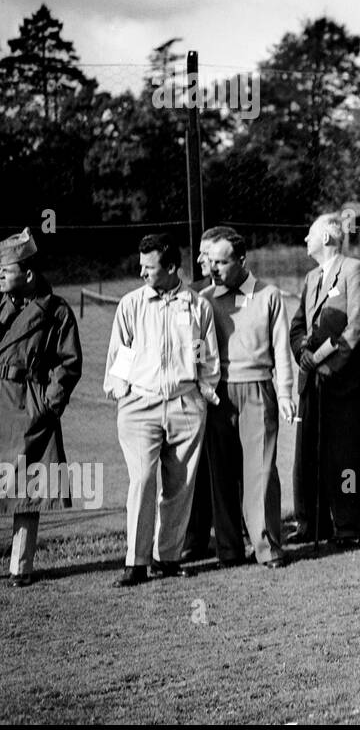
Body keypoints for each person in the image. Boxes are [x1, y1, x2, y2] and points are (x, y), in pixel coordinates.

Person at [104, 233, 220, 586]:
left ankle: (167, 558)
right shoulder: (131, 304)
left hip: (186, 405)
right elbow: (120, 353)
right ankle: (136, 562)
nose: (142, 273)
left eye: (149, 268)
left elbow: (204, 353)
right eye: (141, 266)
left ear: (171, 268)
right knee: (142, 480)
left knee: (179, 487)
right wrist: (121, 392)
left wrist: (204, 391)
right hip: (140, 405)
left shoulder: (197, 306)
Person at [201, 230, 295, 569]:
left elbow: (282, 349)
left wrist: (284, 393)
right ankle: (227, 549)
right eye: (211, 262)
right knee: (221, 473)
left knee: (261, 472)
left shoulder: (268, 295)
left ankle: (267, 546)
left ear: (242, 261)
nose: (214, 268)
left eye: (222, 262)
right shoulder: (205, 299)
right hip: (218, 394)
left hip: (258, 389)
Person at [288, 213, 360, 547]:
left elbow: (358, 325)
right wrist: (303, 353)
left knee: (345, 458)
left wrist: (324, 360)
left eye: (309, 234)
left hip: (348, 382)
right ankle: (312, 525)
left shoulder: (355, 271)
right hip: (314, 381)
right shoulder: (312, 277)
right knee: (309, 453)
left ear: (326, 237)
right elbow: (298, 325)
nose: (304, 241)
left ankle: (348, 527)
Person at [0, 229, 82, 587]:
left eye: (5, 269)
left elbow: (69, 363)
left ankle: (21, 565)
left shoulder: (56, 310)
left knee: (28, 488)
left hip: (31, 405)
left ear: (28, 273)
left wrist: (48, 406)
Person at [182, 224, 236, 564]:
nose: (203, 259)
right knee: (195, 470)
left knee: (229, 468)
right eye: (201, 253)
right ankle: (194, 538)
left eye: (209, 253)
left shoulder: (240, 292)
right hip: (199, 393)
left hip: (229, 391)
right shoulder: (194, 296)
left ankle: (233, 536)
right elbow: (196, 347)